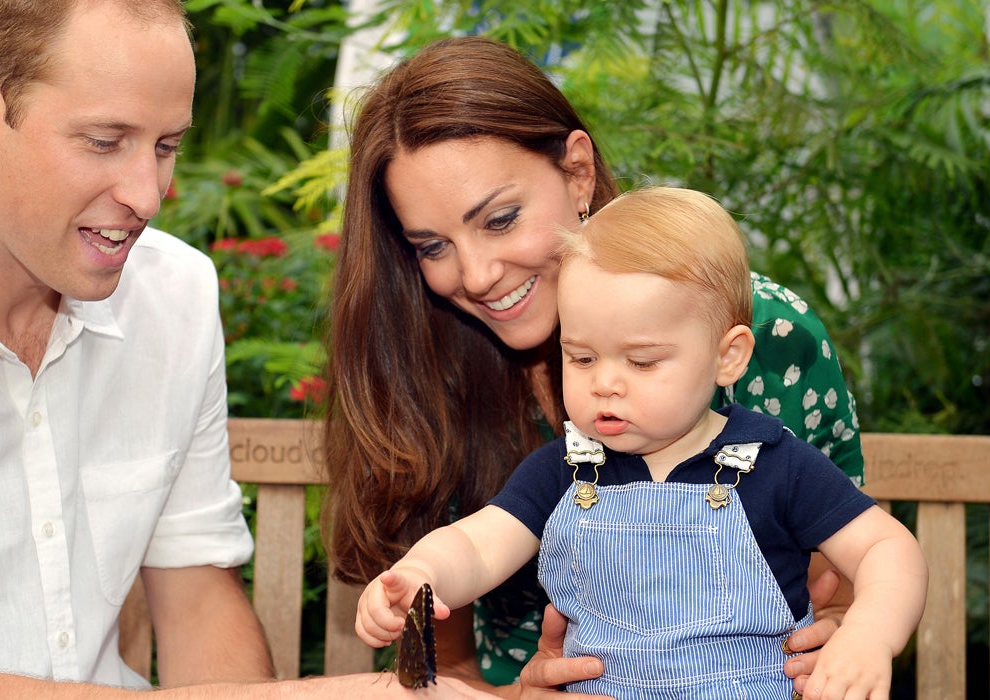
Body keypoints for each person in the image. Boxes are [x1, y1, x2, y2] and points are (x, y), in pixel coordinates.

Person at [0, 2, 498, 698]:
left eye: (167, 146)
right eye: (104, 142)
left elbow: (196, 595)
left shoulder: (173, 295)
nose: (148, 194)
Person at [322, 36, 866, 696]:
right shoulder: (432, 366)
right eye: (433, 246)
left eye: (500, 219)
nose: (477, 274)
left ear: (577, 172)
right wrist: (518, 696)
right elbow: (446, 655)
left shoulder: (758, 331)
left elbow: (849, 579)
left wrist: (841, 635)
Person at [355, 186, 927, 699]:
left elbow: (886, 548)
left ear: (728, 356)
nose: (605, 383)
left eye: (643, 361)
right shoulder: (565, 470)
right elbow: (477, 547)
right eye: (582, 357)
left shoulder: (774, 464)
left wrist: (868, 634)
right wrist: (423, 573)